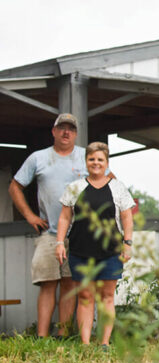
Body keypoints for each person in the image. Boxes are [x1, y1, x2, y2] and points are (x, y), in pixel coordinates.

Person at [8, 113, 101, 337]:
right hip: (49, 233)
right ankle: (42, 337)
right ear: (54, 131)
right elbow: (14, 187)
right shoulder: (38, 158)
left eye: (70, 129)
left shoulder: (86, 157)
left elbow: (109, 182)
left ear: (76, 134)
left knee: (70, 285)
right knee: (48, 284)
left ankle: (63, 336)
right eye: (62, 128)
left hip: (80, 234)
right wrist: (30, 216)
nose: (66, 132)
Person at [54, 142, 134, 347]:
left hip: (111, 252)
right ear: (86, 162)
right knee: (85, 297)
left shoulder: (118, 187)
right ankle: (86, 343)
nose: (96, 163)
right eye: (92, 159)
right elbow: (64, 218)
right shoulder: (75, 187)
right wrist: (59, 243)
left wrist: (128, 243)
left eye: (100, 160)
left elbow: (127, 218)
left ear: (106, 163)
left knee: (107, 297)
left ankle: (104, 343)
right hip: (80, 251)